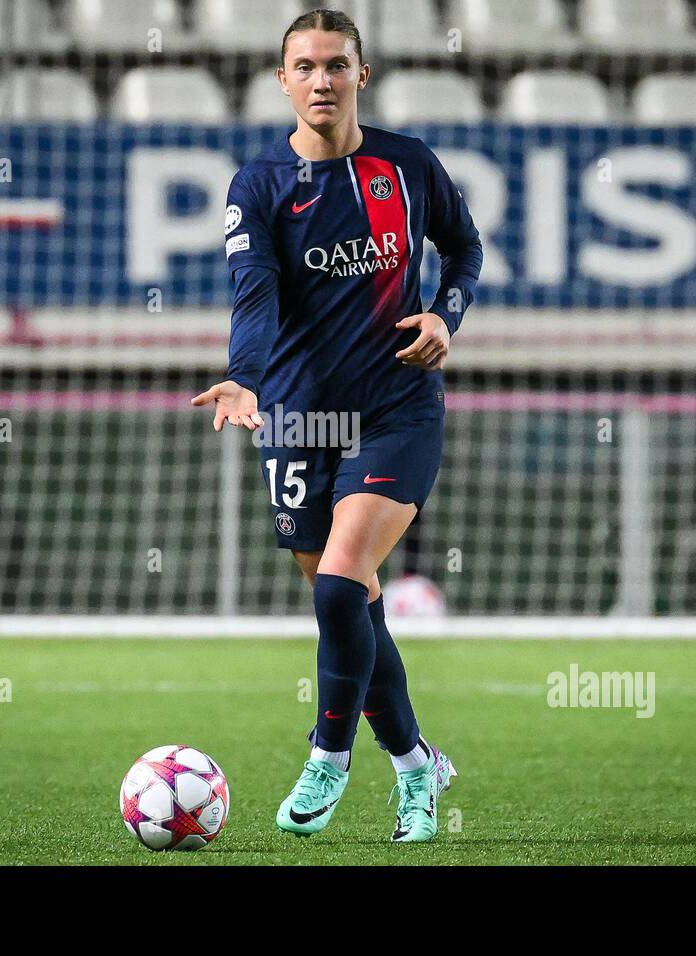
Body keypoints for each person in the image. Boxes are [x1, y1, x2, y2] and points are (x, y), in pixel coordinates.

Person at [191, 8, 483, 843]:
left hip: (396, 405)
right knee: (352, 604)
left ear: (363, 73)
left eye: (336, 65)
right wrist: (244, 379)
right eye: (305, 66)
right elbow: (254, 296)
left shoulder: (408, 166)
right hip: (295, 415)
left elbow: (465, 250)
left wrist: (445, 319)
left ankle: (328, 755)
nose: (322, 80)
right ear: (283, 81)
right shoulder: (257, 187)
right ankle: (417, 765)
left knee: (338, 582)